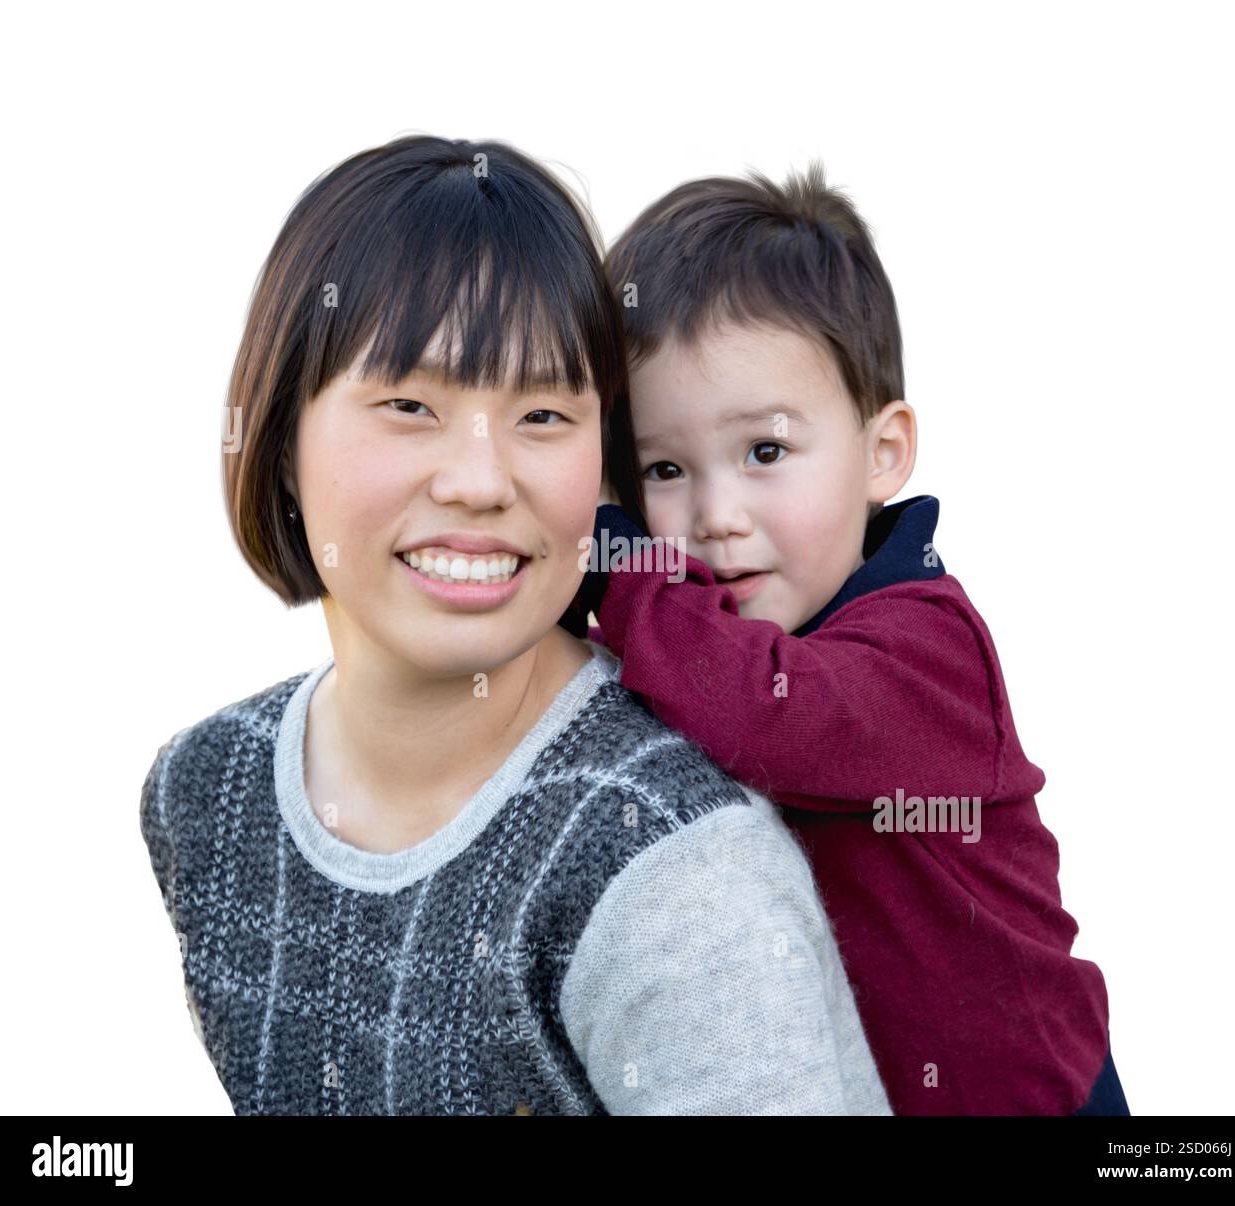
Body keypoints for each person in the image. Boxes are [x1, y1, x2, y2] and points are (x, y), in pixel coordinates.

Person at [138, 135, 893, 1116]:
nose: (481, 483)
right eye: (409, 403)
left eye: (543, 415)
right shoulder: (207, 789)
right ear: (281, 438)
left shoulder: (675, 866)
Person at [582, 164, 1129, 1115]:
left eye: (766, 452)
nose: (716, 516)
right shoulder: (703, 634)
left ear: (883, 454)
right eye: (665, 468)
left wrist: (619, 571)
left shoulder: (926, 646)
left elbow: (760, 714)